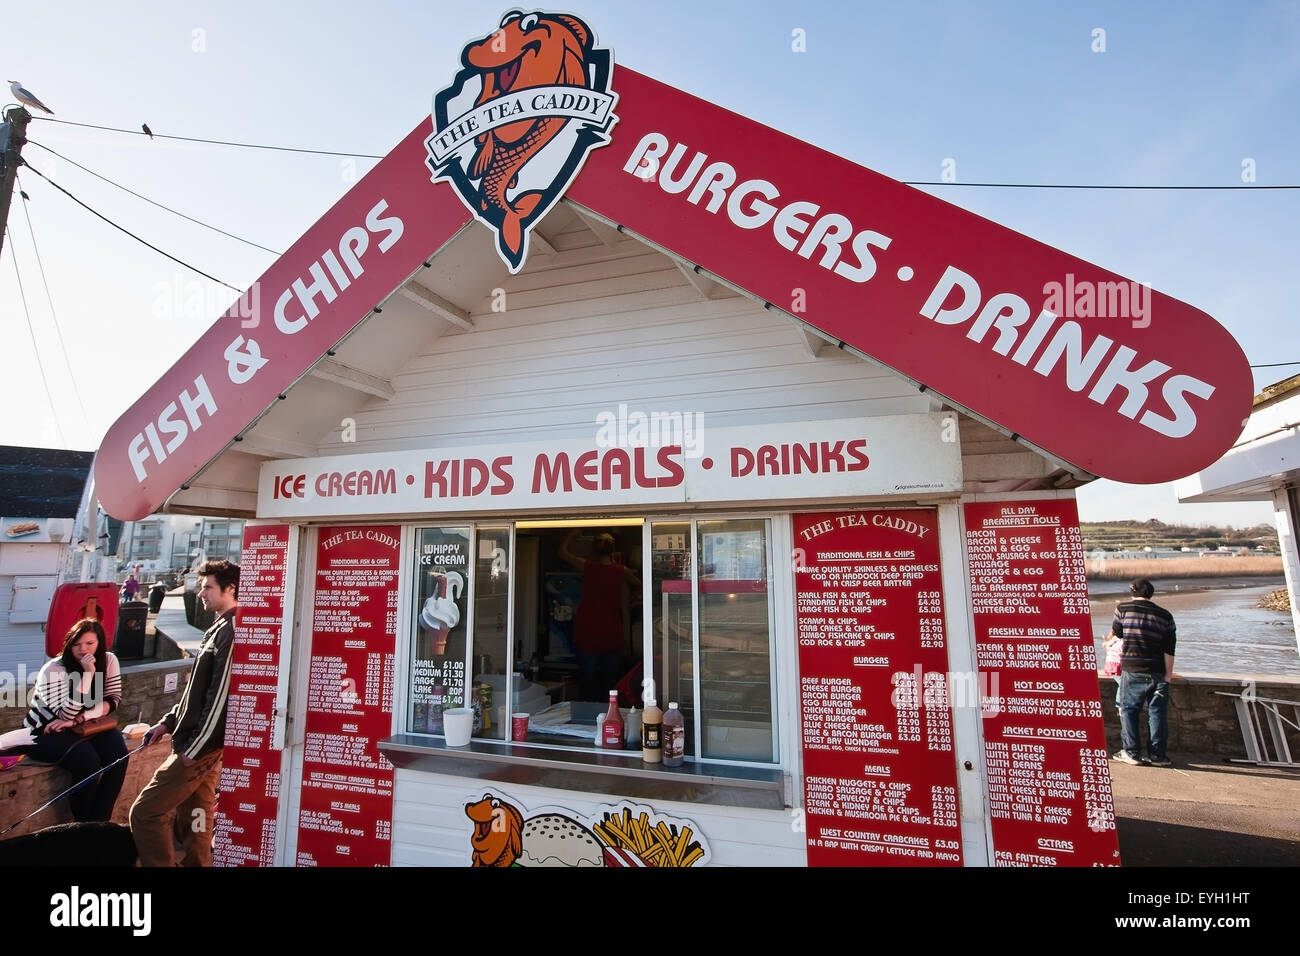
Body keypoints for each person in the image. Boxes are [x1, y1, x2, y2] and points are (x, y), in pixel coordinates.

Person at [130, 559, 238, 866]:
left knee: (145, 813)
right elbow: (197, 692)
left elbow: (219, 697)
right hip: (200, 744)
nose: (201, 593)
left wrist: (196, 747)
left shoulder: (229, 631)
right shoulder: (219, 627)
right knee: (198, 817)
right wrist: (167, 722)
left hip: (197, 747)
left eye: (208, 587)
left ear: (230, 589)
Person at [23, 619, 127, 822]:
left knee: (119, 756)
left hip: (83, 724)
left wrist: (81, 718)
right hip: (44, 730)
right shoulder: (53, 669)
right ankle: (82, 825)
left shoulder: (109, 660)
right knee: (88, 762)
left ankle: (100, 822)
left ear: (99, 643)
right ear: (69, 644)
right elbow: (64, 715)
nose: (82, 649)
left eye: (89, 643)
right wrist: (88, 674)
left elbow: (113, 699)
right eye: (76, 644)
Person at [559, 529, 640, 701]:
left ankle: (587, 716)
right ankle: (609, 717)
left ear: (594, 550)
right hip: (612, 632)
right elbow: (641, 584)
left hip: (588, 632)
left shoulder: (587, 567)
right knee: (611, 682)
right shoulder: (621, 571)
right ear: (613, 551)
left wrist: (570, 535)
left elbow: (562, 553)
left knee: (588, 680)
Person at [1110, 578, 1177, 767]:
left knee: (1128, 710)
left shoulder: (1122, 609)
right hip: (1157, 670)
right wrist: (1168, 676)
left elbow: (1118, 632)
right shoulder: (1165, 615)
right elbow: (1170, 649)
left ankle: (1131, 752)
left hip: (1132, 668)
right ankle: (1158, 755)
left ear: (1133, 591)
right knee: (1156, 713)